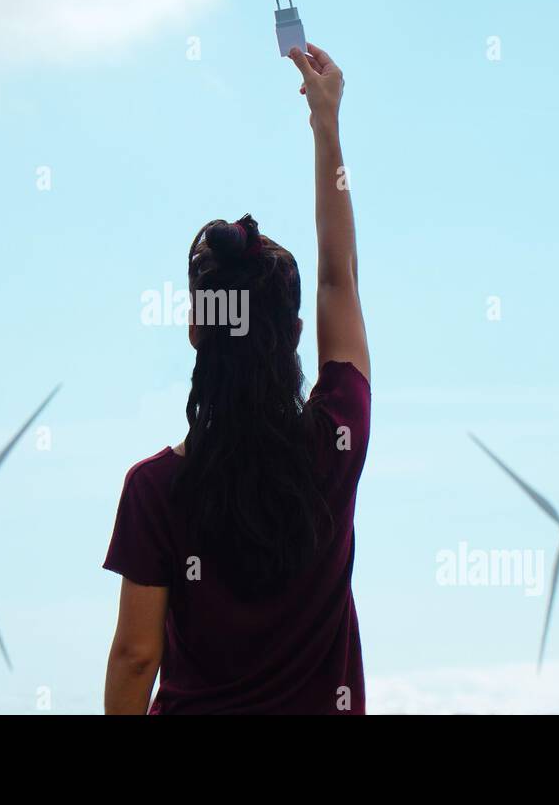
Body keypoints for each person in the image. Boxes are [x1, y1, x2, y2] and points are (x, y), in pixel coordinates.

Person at [103, 43, 370, 714]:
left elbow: (136, 658)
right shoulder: (337, 439)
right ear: (296, 333)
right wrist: (327, 125)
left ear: (197, 328)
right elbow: (339, 277)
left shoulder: (155, 489)